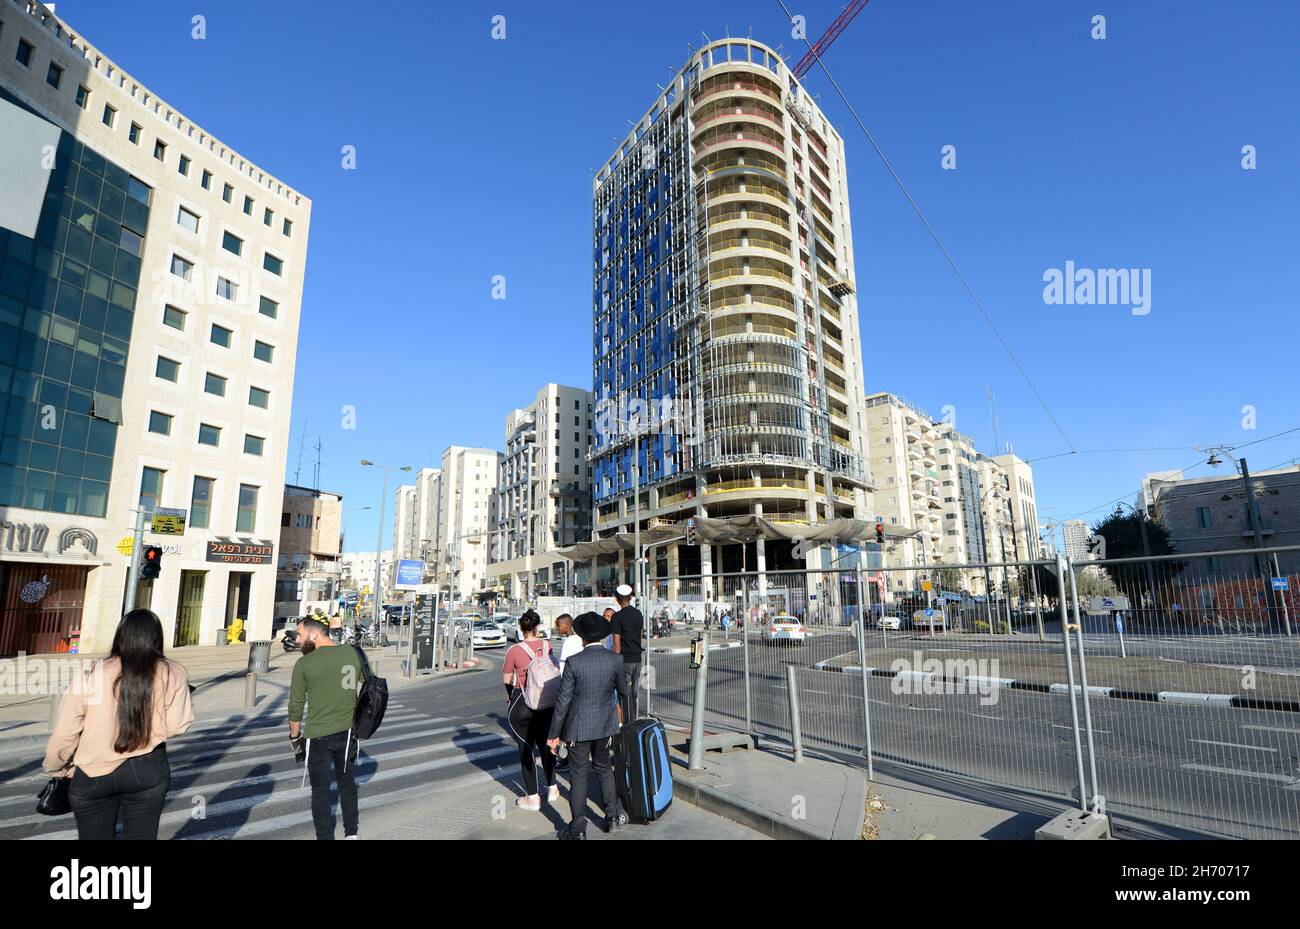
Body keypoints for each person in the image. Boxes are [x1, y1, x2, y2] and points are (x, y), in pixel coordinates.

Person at [43, 608, 193, 840]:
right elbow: (177, 726)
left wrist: (57, 766)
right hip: (148, 767)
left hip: (93, 770)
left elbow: (66, 731)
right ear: (157, 638)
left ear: (120, 636)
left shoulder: (90, 673)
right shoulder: (173, 672)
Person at [547, 612, 627, 840]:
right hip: (605, 726)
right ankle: (611, 818)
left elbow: (563, 701)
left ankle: (578, 829)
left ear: (582, 637)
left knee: (579, 776)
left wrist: (554, 735)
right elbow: (624, 691)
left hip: (578, 729)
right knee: (604, 770)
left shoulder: (574, 662)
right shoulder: (615, 659)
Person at [288, 614, 363, 840]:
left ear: (314, 634)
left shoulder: (304, 663)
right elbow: (365, 688)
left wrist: (295, 737)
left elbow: (296, 706)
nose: (298, 640)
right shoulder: (352, 653)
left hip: (318, 736)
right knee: (347, 783)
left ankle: (325, 837)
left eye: (300, 635)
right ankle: (352, 834)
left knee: (320, 791)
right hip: (348, 731)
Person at [501, 609, 559, 811]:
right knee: (546, 745)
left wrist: (510, 695)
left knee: (526, 748)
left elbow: (507, 679)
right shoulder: (547, 646)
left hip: (523, 702)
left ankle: (533, 797)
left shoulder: (514, 650)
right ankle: (553, 788)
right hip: (546, 703)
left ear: (521, 628)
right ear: (537, 627)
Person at [610, 584, 645, 722]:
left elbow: (616, 646)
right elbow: (640, 635)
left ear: (617, 599)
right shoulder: (638, 614)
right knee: (634, 693)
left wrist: (613, 663)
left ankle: (626, 724)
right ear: (631, 597)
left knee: (624, 694)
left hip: (624, 661)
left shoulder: (617, 617)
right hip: (637, 659)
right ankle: (633, 721)